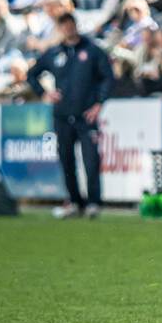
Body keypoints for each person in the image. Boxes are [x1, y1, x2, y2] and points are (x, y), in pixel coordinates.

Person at [28, 13, 114, 219]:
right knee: (66, 161)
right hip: (62, 115)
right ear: (60, 28)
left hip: (86, 116)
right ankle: (75, 201)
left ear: (75, 25)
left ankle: (93, 202)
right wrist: (44, 93)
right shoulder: (54, 52)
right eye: (63, 25)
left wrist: (99, 103)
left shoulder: (92, 51)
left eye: (70, 24)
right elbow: (32, 74)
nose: (68, 29)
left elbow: (108, 78)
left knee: (91, 160)